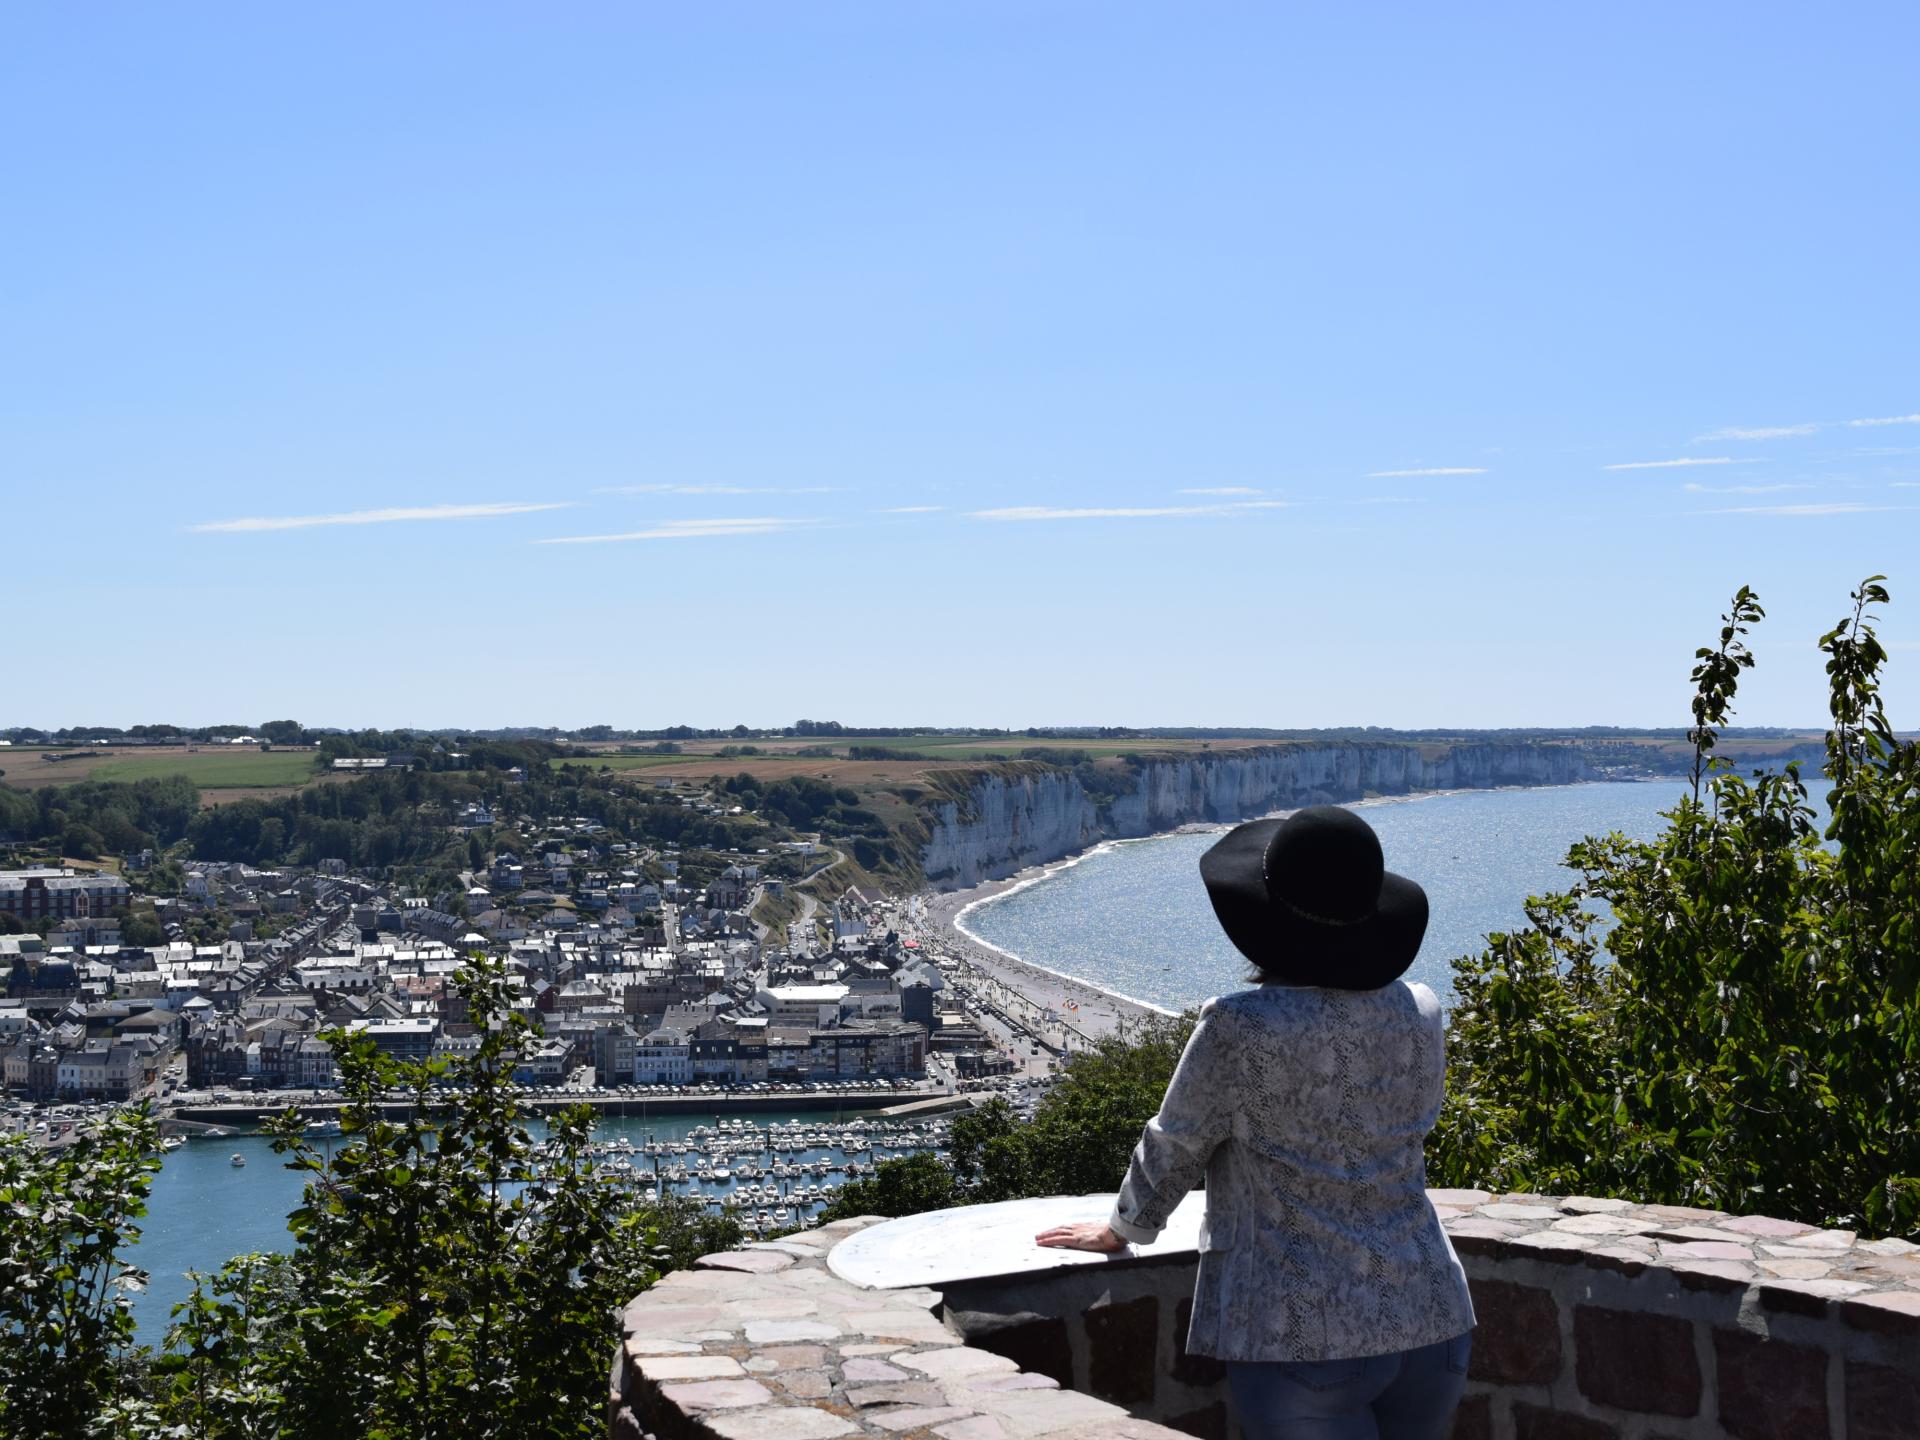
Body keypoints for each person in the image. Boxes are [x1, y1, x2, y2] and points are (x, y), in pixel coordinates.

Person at [1036, 805, 1475, 1440]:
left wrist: (1123, 1228)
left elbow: (1176, 1142)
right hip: (1432, 1311)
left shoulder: (1241, 1025)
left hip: (1299, 1328)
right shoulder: (1422, 1009)